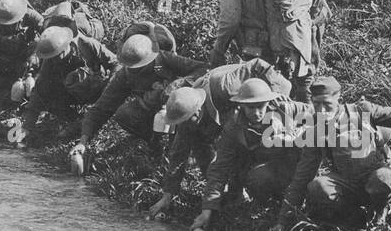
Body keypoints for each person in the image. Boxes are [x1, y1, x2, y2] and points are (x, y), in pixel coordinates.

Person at [279, 76, 391, 230]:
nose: (322, 111)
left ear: (339, 99)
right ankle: (354, 218)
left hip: (373, 175)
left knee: (383, 179)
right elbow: (302, 177)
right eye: (317, 104)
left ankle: (380, 212)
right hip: (346, 183)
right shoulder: (316, 132)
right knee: (318, 187)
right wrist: (282, 222)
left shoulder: (362, 111)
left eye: (327, 104)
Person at [147, 59, 292, 220]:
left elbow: (258, 65)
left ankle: (244, 192)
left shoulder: (225, 86)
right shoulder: (187, 112)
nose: (186, 127)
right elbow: (178, 154)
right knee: (204, 145)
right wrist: (167, 195)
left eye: (188, 121)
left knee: (246, 145)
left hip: (259, 97)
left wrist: (275, 98)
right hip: (231, 114)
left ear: (197, 112)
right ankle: (220, 196)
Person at [189, 79, 313, 231]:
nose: (256, 113)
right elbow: (219, 168)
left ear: (268, 102)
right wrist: (207, 209)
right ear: (241, 105)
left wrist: (295, 136)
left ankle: (299, 200)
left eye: (260, 106)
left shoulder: (286, 109)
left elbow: (320, 116)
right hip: (263, 169)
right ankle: (269, 201)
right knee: (257, 179)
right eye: (250, 108)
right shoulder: (233, 127)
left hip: (292, 163)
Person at [78, 33, 206, 156]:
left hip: (178, 107)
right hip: (150, 110)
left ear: (151, 59)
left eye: (140, 67)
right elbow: (100, 109)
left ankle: (186, 147)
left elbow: (203, 69)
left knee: (187, 112)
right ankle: (155, 142)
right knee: (124, 114)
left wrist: (178, 84)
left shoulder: (164, 59)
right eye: (132, 67)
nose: (136, 70)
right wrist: (82, 142)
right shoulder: (124, 76)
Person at [19, 25, 117, 141]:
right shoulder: (51, 59)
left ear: (66, 46)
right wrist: (26, 128)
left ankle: (92, 114)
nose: (53, 60)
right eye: (51, 57)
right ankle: (72, 118)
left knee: (73, 78)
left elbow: (116, 63)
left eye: (56, 56)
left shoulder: (86, 45)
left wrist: (109, 90)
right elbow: (39, 91)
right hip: (71, 92)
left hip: (97, 89)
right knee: (48, 87)